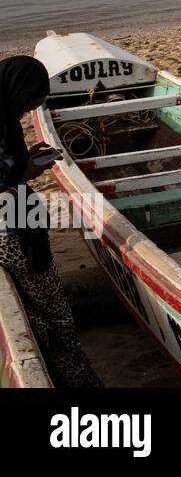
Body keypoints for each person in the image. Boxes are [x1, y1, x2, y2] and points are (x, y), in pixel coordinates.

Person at [0, 55, 101, 387]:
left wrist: (27, 165)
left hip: (18, 215)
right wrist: (25, 175)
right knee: (48, 303)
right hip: (9, 227)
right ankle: (72, 373)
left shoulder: (5, 118)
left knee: (45, 300)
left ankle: (68, 366)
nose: (27, 113)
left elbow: (12, 175)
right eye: (28, 105)